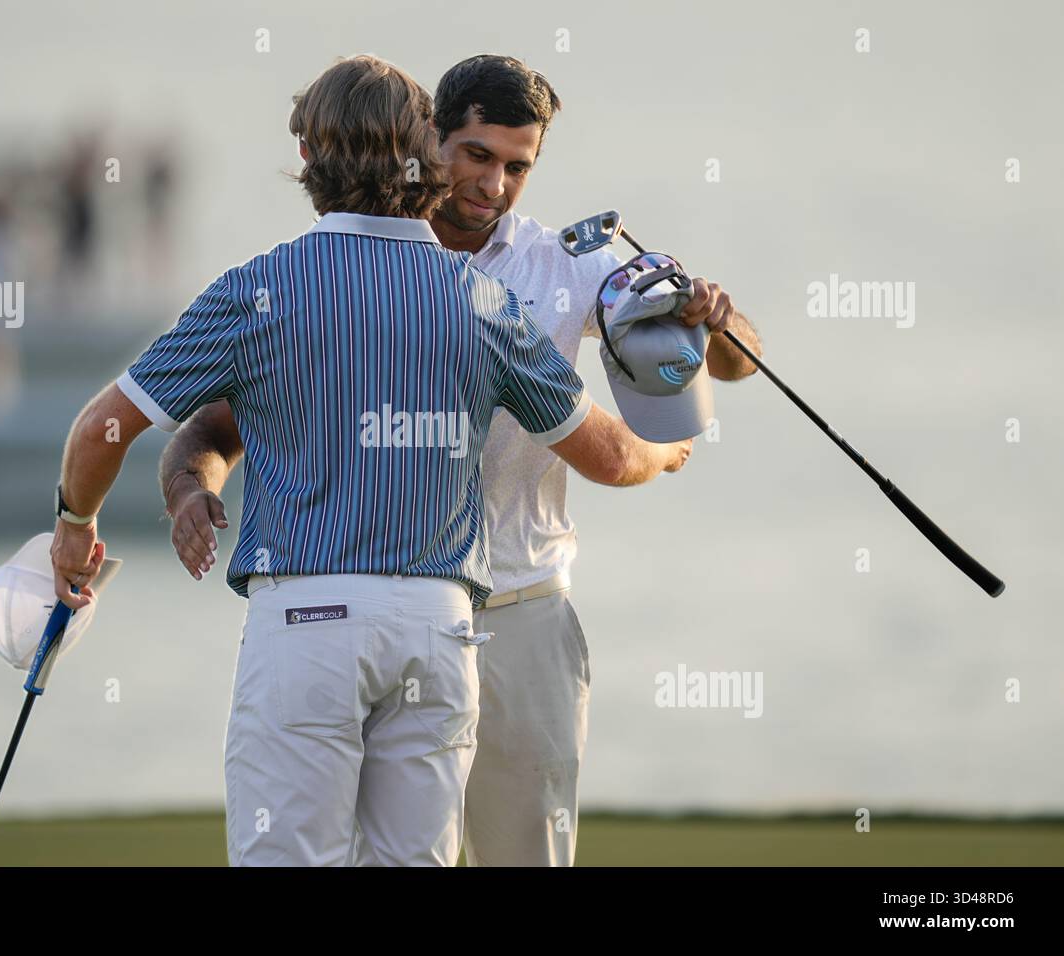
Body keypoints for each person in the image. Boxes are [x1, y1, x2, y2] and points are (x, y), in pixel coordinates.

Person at [159, 54, 762, 866]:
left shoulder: (568, 263)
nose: (495, 185)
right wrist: (191, 488)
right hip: (393, 616)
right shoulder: (346, 268)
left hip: (522, 616)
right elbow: (217, 429)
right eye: (477, 156)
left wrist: (714, 322)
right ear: (427, 139)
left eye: (519, 167)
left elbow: (733, 364)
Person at [51, 55, 650, 867]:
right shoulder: (479, 299)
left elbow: (99, 433)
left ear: (306, 159)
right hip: (440, 630)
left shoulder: (257, 290)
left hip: (304, 625)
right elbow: (607, 454)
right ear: (427, 159)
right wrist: (673, 445)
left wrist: (73, 529)